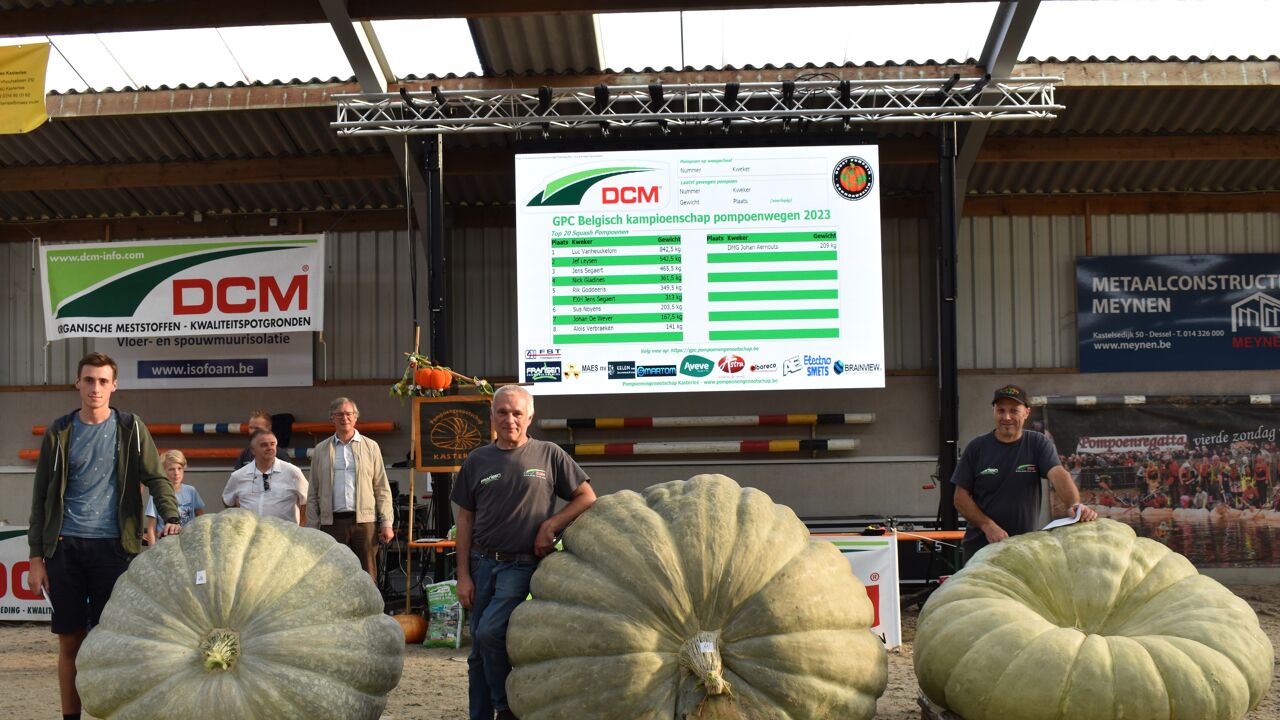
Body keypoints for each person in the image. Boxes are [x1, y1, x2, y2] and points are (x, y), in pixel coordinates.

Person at [27, 352, 182, 720]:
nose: (95, 387)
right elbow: (41, 496)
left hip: (115, 549)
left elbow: (156, 478)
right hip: (64, 547)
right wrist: (36, 558)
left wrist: (171, 515)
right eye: (88, 380)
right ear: (77, 384)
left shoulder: (131, 428)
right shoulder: (59, 432)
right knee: (70, 641)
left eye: (102, 381)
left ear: (114, 385)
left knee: (113, 641)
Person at [453, 385, 597, 720]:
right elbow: (465, 519)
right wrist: (462, 575)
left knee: (489, 632)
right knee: (478, 652)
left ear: (529, 417)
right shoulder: (477, 460)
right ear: (492, 416)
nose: (510, 419)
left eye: (517, 413)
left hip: (521, 566)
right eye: (502, 412)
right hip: (481, 564)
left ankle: (505, 708)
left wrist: (552, 525)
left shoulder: (549, 454)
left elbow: (587, 497)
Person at [952, 384, 1098, 560]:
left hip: (1025, 549)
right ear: (993, 412)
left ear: (1026, 413)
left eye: (1014, 411)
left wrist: (1073, 505)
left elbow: (1058, 475)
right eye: (1001, 410)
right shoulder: (977, 447)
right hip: (981, 549)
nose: (1006, 417)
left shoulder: (1038, 443)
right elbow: (960, 498)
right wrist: (987, 525)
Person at [308, 397, 395, 582]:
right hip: (331, 523)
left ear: (356, 417)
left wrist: (387, 523)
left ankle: (369, 603)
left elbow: (382, 488)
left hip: (364, 523)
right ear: (332, 418)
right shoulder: (321, 450)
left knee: (367, 576)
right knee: (333, 576)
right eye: (339, 414)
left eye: (349, 414)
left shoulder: (371, 447)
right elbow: (313, 492)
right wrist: (312, 527)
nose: (344, 418)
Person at [223, 428, 308, 524]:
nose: (269, 448)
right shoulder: (238, 476)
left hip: (284, 532)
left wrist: (301, 528)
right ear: (253, 450)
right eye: (264, 445)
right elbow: (227, 500)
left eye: (272, 444)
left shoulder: (292, 472)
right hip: (251, 532)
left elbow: (307, 502)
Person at [144, 449, 205, 545]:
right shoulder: (157, 494)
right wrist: (152, 550)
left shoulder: (191, 491)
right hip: (166, 545)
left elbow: (201, 518)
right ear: (163, 472)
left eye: (179, 468)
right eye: (171, 469)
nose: (176, 473)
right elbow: (151, 528)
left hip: (188, 543)